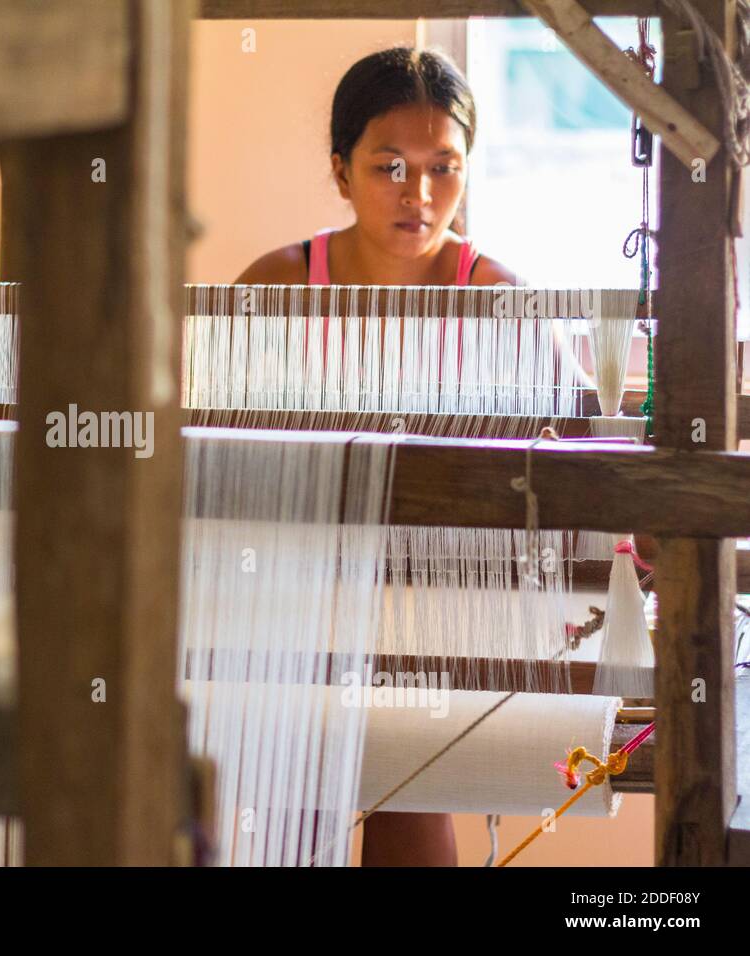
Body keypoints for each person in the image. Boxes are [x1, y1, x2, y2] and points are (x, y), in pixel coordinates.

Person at [236, 46, 525, 866]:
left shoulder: (496, 300)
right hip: (291, 614)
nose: (420, 194)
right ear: (340, 171)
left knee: (411, 809)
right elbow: (208, 445)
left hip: (434, 615)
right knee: (289, 825)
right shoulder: (279, 288)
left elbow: (571, 443)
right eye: (390, 166)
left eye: (444, 167)